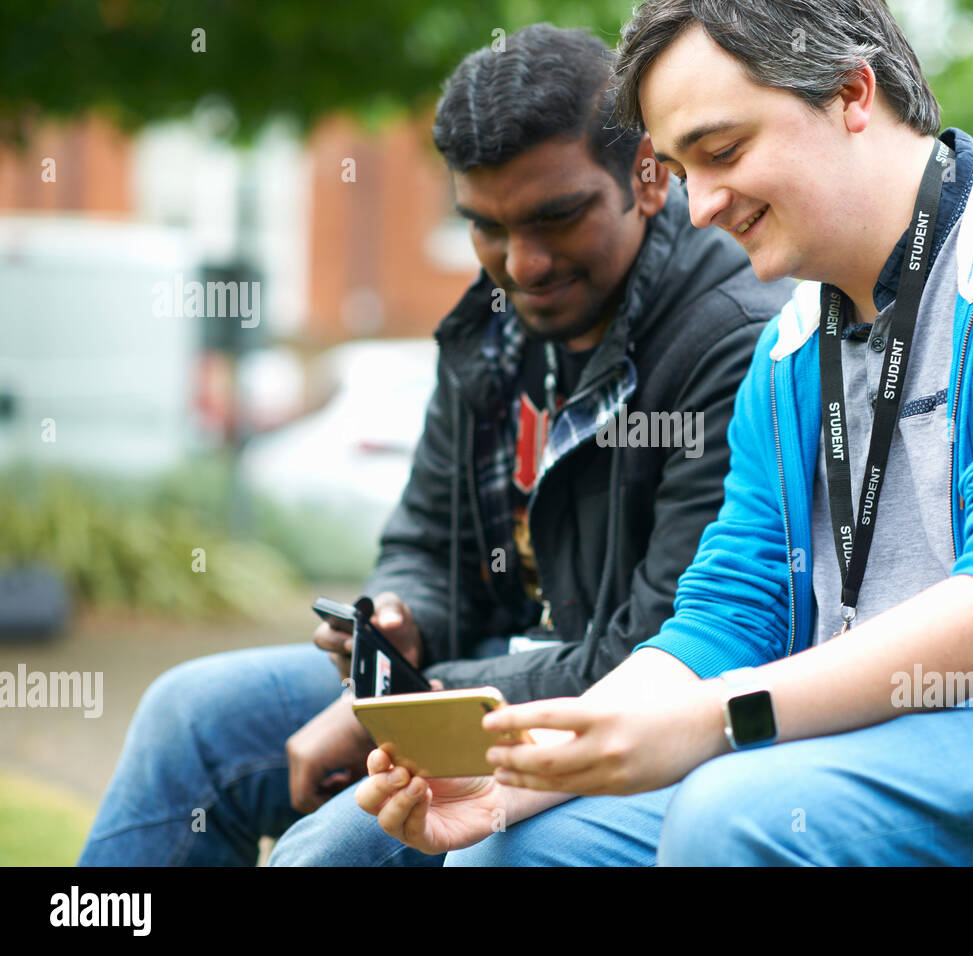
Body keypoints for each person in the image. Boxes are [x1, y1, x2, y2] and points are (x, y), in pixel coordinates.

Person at [358, 0, 973, 866]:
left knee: (737, 812)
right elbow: (726, 619)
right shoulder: (788, 353)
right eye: (681, 172)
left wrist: (712, 720)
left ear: (854, 92)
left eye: (721, 150)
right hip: (869, 756)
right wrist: (522, 779)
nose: (699, 205)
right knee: (512, 850)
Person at [77, 22, 792, 866]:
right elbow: (424, 542)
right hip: (479, 678)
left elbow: (657, 654)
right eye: (485, 227)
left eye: (556, 218)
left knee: (328, 852)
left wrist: (405, 707)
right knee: (188, 713)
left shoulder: (733, 340)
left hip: (625, 716)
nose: (522, 264)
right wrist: (401, 623)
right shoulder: (492, 334)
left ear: (646, 177)